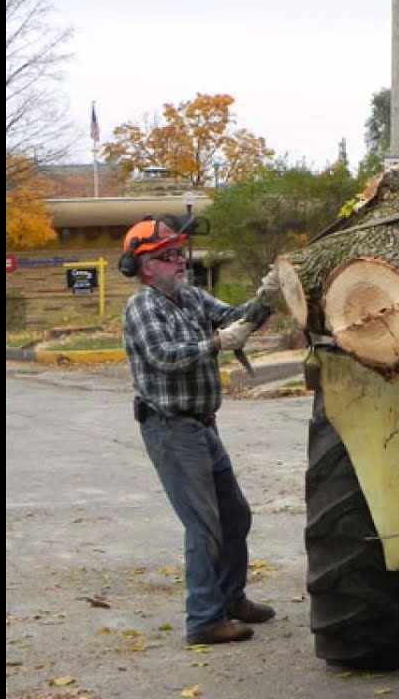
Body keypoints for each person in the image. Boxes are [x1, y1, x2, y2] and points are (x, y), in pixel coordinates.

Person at [118, 215, 283, 645]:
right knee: (203, 526)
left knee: (234, 516)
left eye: (180, 253)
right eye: (168, 256)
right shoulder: (143, 307)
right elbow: (164, 356)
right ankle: (204, 619)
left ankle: (231, 598)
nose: (179, 262)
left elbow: (233, 317)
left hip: (203, 427)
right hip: (171, 430)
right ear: (144, 266)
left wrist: (266, 300)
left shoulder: (189, 297)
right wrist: (215, 343)